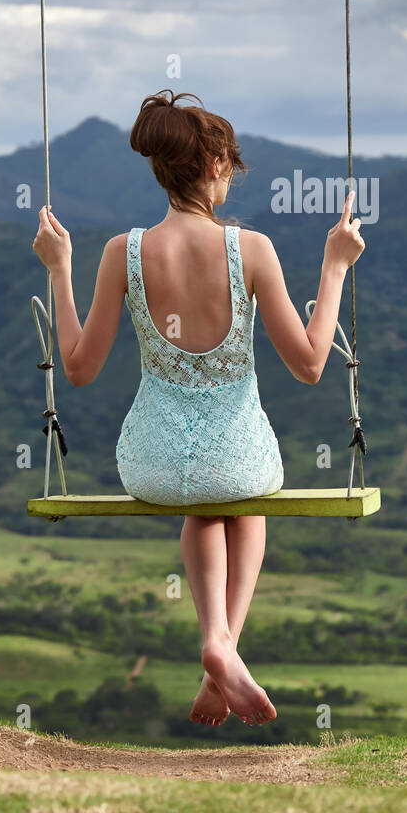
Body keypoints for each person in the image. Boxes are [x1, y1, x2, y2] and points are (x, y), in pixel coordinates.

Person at [32, 89, 365, 728]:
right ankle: (223, 643)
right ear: (215, 166)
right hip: (238, 459)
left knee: (204, 502)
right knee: (244, 499)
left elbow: (77, 369)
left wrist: (58, 266)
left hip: (151, 463)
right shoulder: (253, 249)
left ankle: (218, 647)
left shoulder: (121, 253)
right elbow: (311, 364)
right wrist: (335, 264)